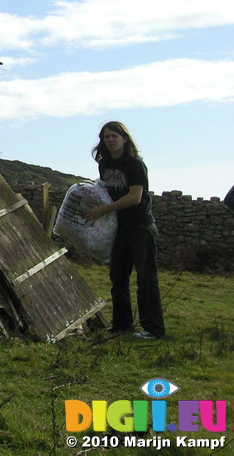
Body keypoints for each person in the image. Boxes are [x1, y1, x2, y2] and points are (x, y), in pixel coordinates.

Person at [85, 121, 165, 339]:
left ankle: (153, 328)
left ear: (124, 139)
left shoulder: (135, 164)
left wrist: (102, 210)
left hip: (140, 226)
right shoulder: (105, 164)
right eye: (106, 137)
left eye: (114, 136)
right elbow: (105, 191)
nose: (110, 140)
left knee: (146, 278)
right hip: (119, 228)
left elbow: (134, 197)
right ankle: (122, 326)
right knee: (118, 277)